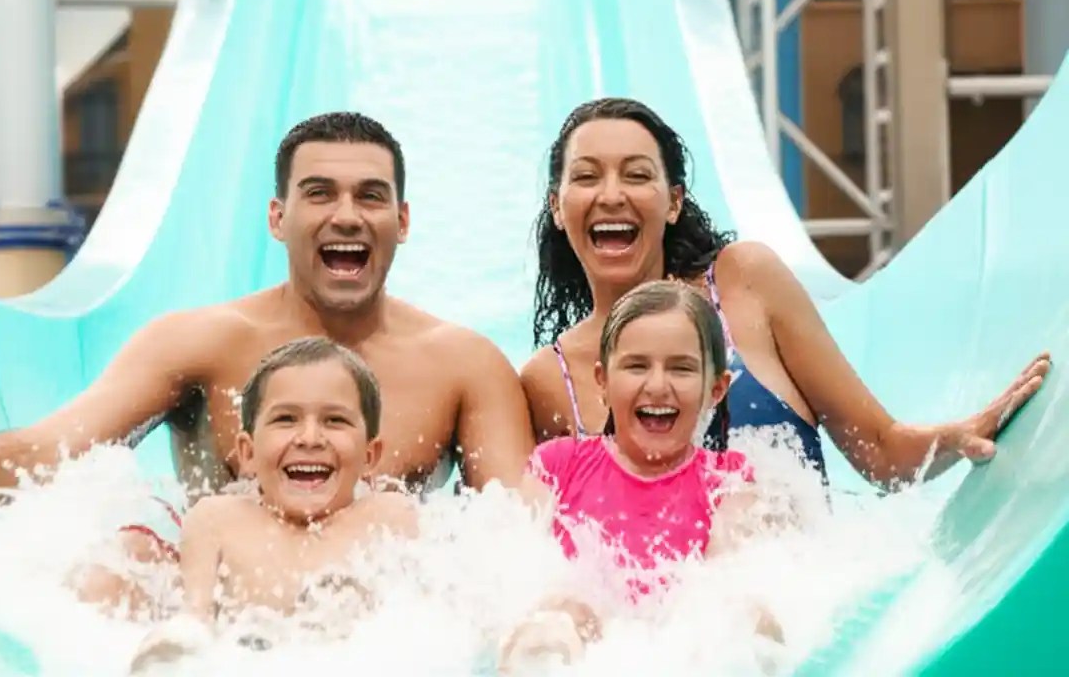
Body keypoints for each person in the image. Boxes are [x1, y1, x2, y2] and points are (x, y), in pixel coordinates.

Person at [0, 111, 534, 615]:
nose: (347, 214)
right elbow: (54, 455)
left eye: (371, 196)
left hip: (369, 618)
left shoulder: (462, 365)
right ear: (279, 217)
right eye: (320, 193)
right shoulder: (202, 344)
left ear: (401, 222)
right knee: (109, 570)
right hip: (211, 608)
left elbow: (514, 543)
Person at [520, 96, 1050, 490]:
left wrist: (956, 436)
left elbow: (882, 452)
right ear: (559, 207)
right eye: (587, 177)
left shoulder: (746, 283)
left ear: (674, 201)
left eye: (636, 175)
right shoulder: (550, 379)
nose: (611, 195)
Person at [500, 282, 788, 673]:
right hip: (585, 643)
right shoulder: (557, 466)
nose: (657, 386)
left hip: (678, 643)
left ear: (716, 389)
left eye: (681, 368)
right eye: (637, 366)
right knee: (559, 613)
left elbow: (726, 575)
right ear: (602, 381)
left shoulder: (729, 479)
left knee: (746, 616)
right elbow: (512, 561)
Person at [129, 337, 419, 673]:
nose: (310, 438)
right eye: (285, 419)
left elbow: (433, 616)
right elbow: (195, 615)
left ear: (370, 456)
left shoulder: (389, 517)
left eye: (335, 421)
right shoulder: (218, 519)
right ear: (248, 452)